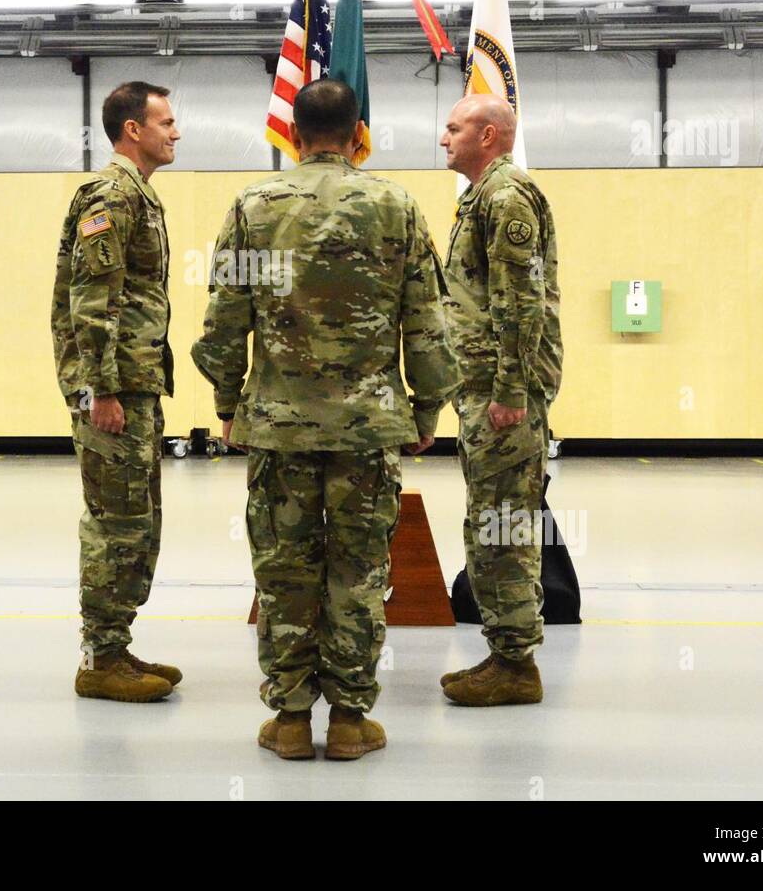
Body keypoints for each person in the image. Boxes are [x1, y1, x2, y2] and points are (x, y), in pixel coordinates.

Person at [192, 78, 458, 760]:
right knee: (359, 571)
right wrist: (426, 406)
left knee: (284, 569)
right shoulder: (396, 205)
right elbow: (426, 320)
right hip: (368, 428)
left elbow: (225, 321)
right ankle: (347, 718)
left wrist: (228, 403)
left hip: (277, 429)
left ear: (292, 132)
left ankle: (287, 718)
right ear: (356, 131)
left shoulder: (254, 207)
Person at [51, 81, 182, 702]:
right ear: (134, 129)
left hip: (133, 386)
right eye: (165, 120)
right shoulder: (111, 196)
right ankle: (100, 658)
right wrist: (101, 391)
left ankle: (116, 645)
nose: (174, 131)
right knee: (116, 521)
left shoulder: (139, 197)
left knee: (137, 518)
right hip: (113, 391)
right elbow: (92, 300)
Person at [437, 93, 562, 706]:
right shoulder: (483, 198)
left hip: (502, 395)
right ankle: (505, 653)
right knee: (491, 518)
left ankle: (515, 664)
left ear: (488, 135)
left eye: (454, 128)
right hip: (485, 389)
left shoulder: (507, 198)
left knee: (504, 524)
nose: (444, 138)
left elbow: (519, 302)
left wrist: (511, 390)